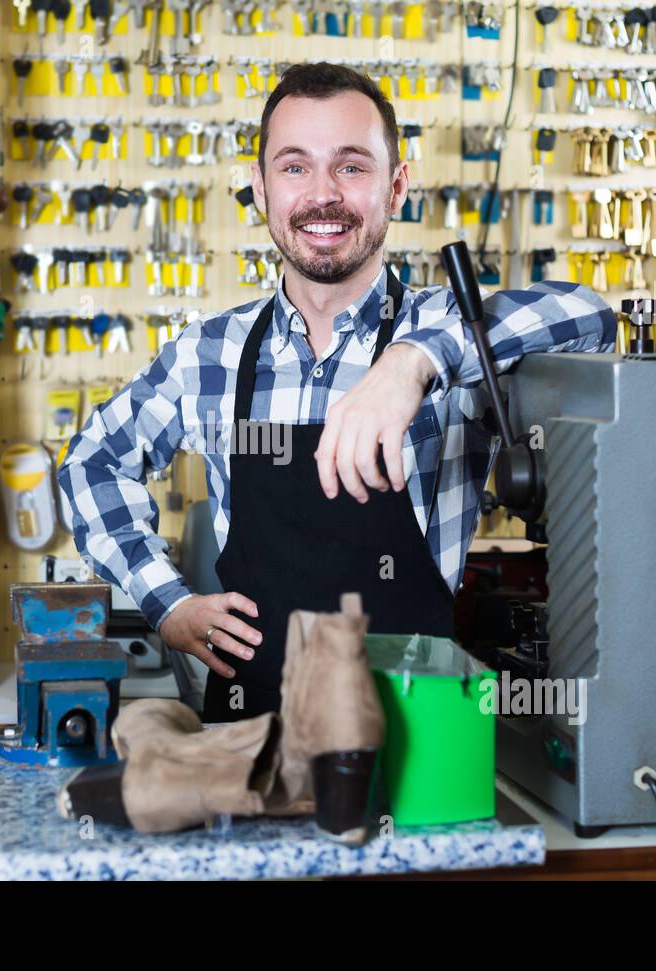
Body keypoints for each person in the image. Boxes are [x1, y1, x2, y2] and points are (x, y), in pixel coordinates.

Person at [59, 62, 615, 722]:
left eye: (352, 166)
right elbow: (91, 463)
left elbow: (588, 314)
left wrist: (415, 359)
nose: (323, 195)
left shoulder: (448, 334)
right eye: (295, 167)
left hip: (418, 740)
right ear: (260, 190)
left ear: (396, 186)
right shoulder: (208, 353)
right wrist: (167, 602)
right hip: (251, 740)